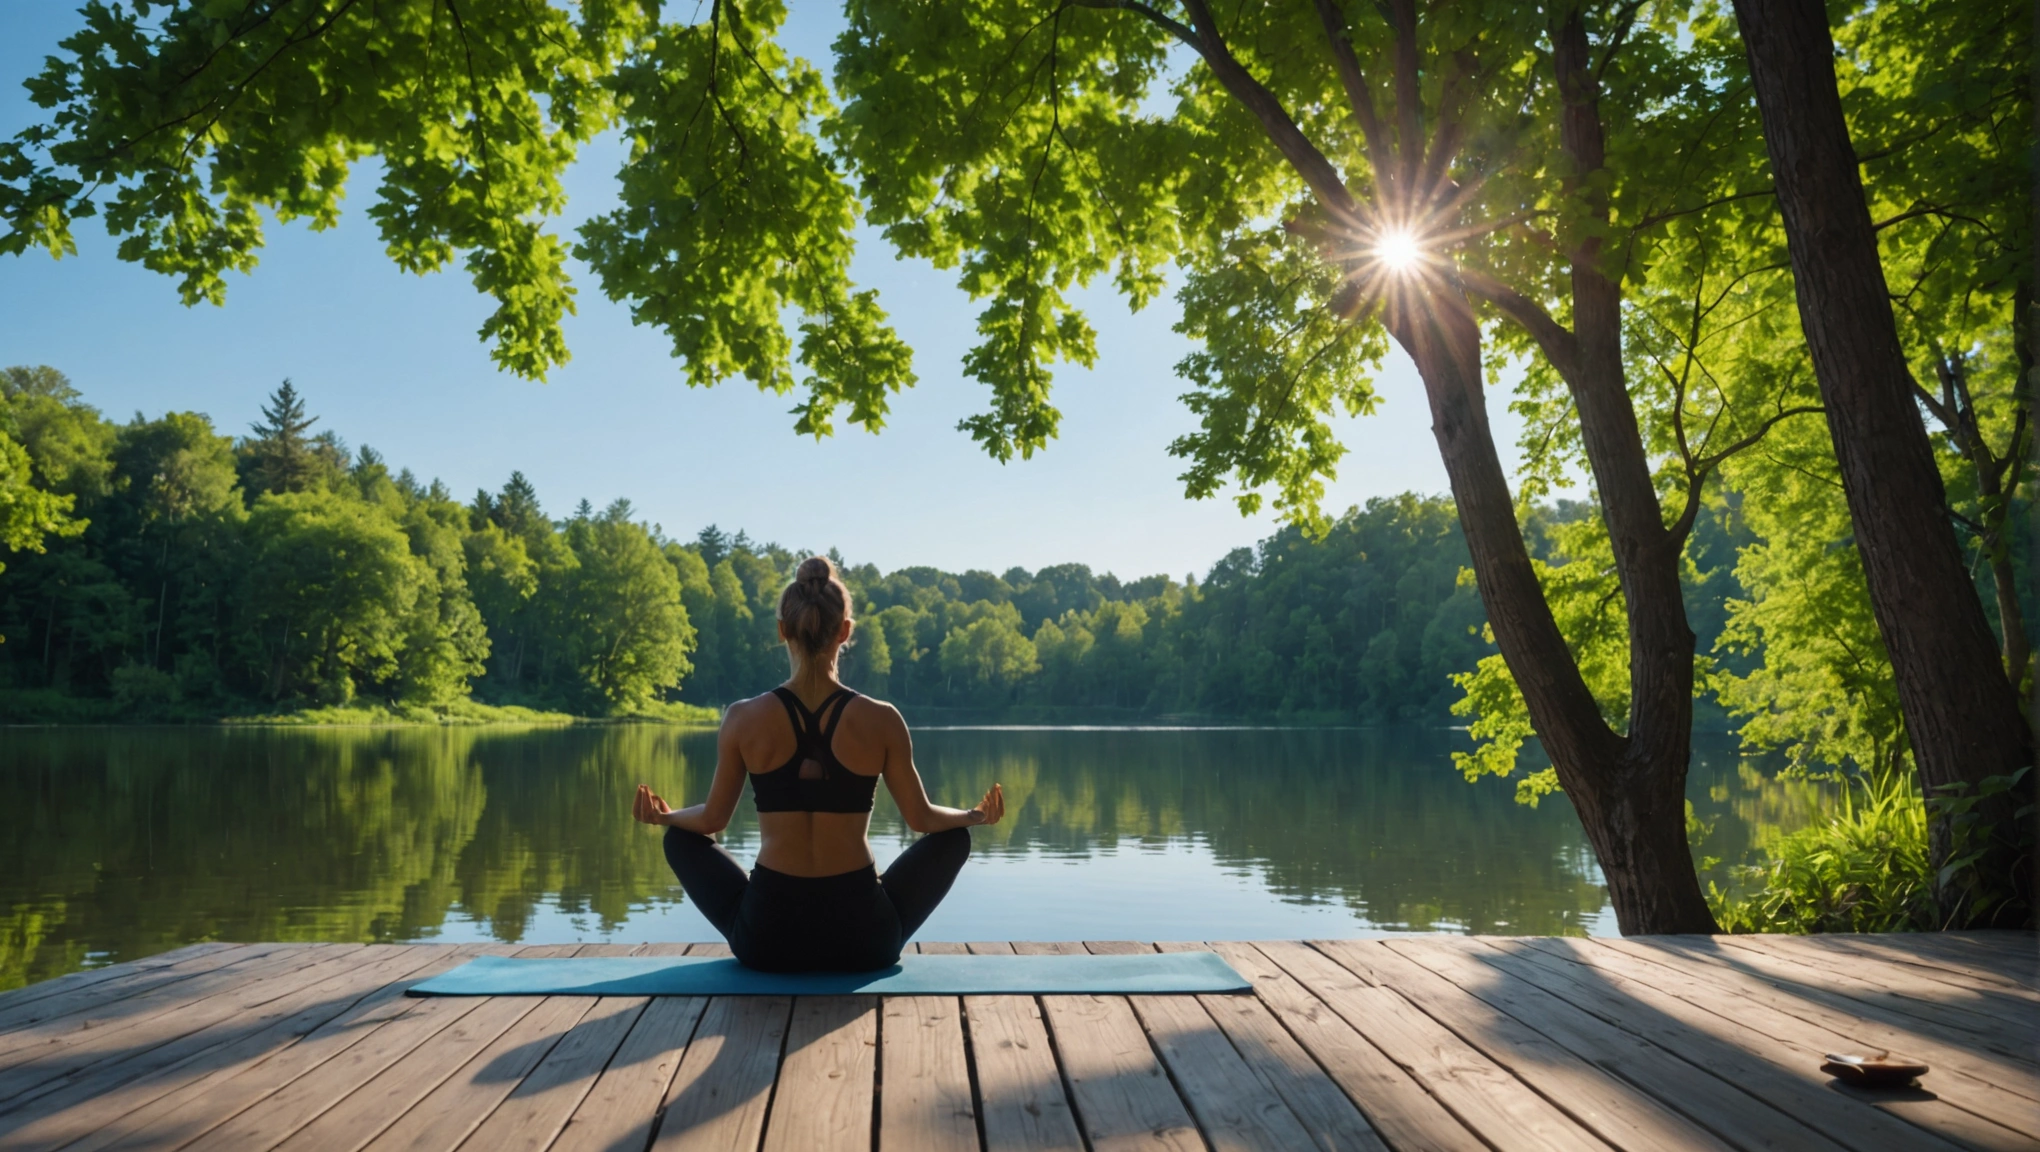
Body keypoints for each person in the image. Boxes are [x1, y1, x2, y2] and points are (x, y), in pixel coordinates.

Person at [632, 556, 1004, 971]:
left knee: (679, 838)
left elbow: (711, 820)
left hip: (768, 941)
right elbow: (922, 818)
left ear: (782, 630)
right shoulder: (882, 719)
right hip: (864, 941)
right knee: (955, 837)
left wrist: (666, 818)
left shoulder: (743, 718)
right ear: (844, 631)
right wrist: (973, 815)